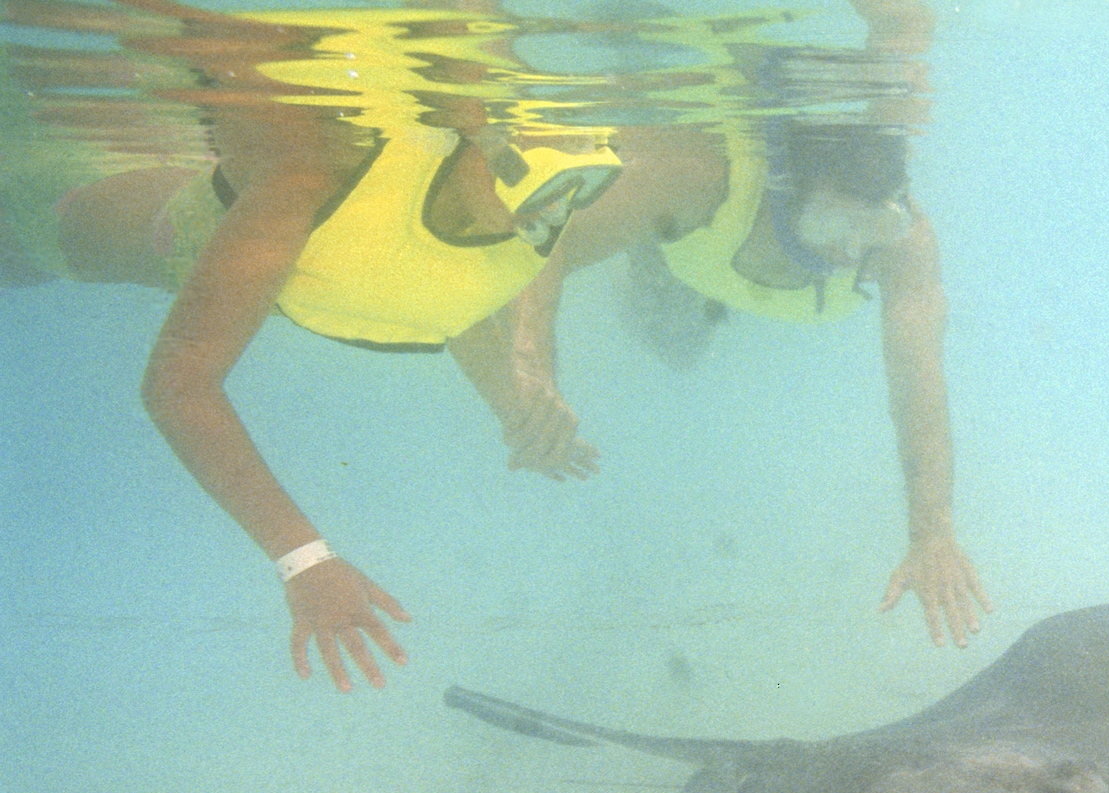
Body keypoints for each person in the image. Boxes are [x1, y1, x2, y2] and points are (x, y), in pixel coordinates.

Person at [2, 2, 621, 690]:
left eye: (578, 178)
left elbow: (452, 290)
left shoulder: (536, 202)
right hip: (88, 213)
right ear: (473, 131)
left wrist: (521, 398)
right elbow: (178, 383)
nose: (552, 206)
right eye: (533, 175)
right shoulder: (313, 173)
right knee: (24, 241)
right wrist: (304, 560)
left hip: (269, 208)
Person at [454, 1, 993, 648]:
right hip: (684, 243)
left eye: (873, 229)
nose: (852, 254)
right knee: (670, 336)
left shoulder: (902, 245)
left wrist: (931, 533)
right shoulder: (699, 175)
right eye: (837, 226)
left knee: (686, 343)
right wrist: (530, 372)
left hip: (716, 254)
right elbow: (540, 229)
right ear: (791, 191)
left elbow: (919, 387)